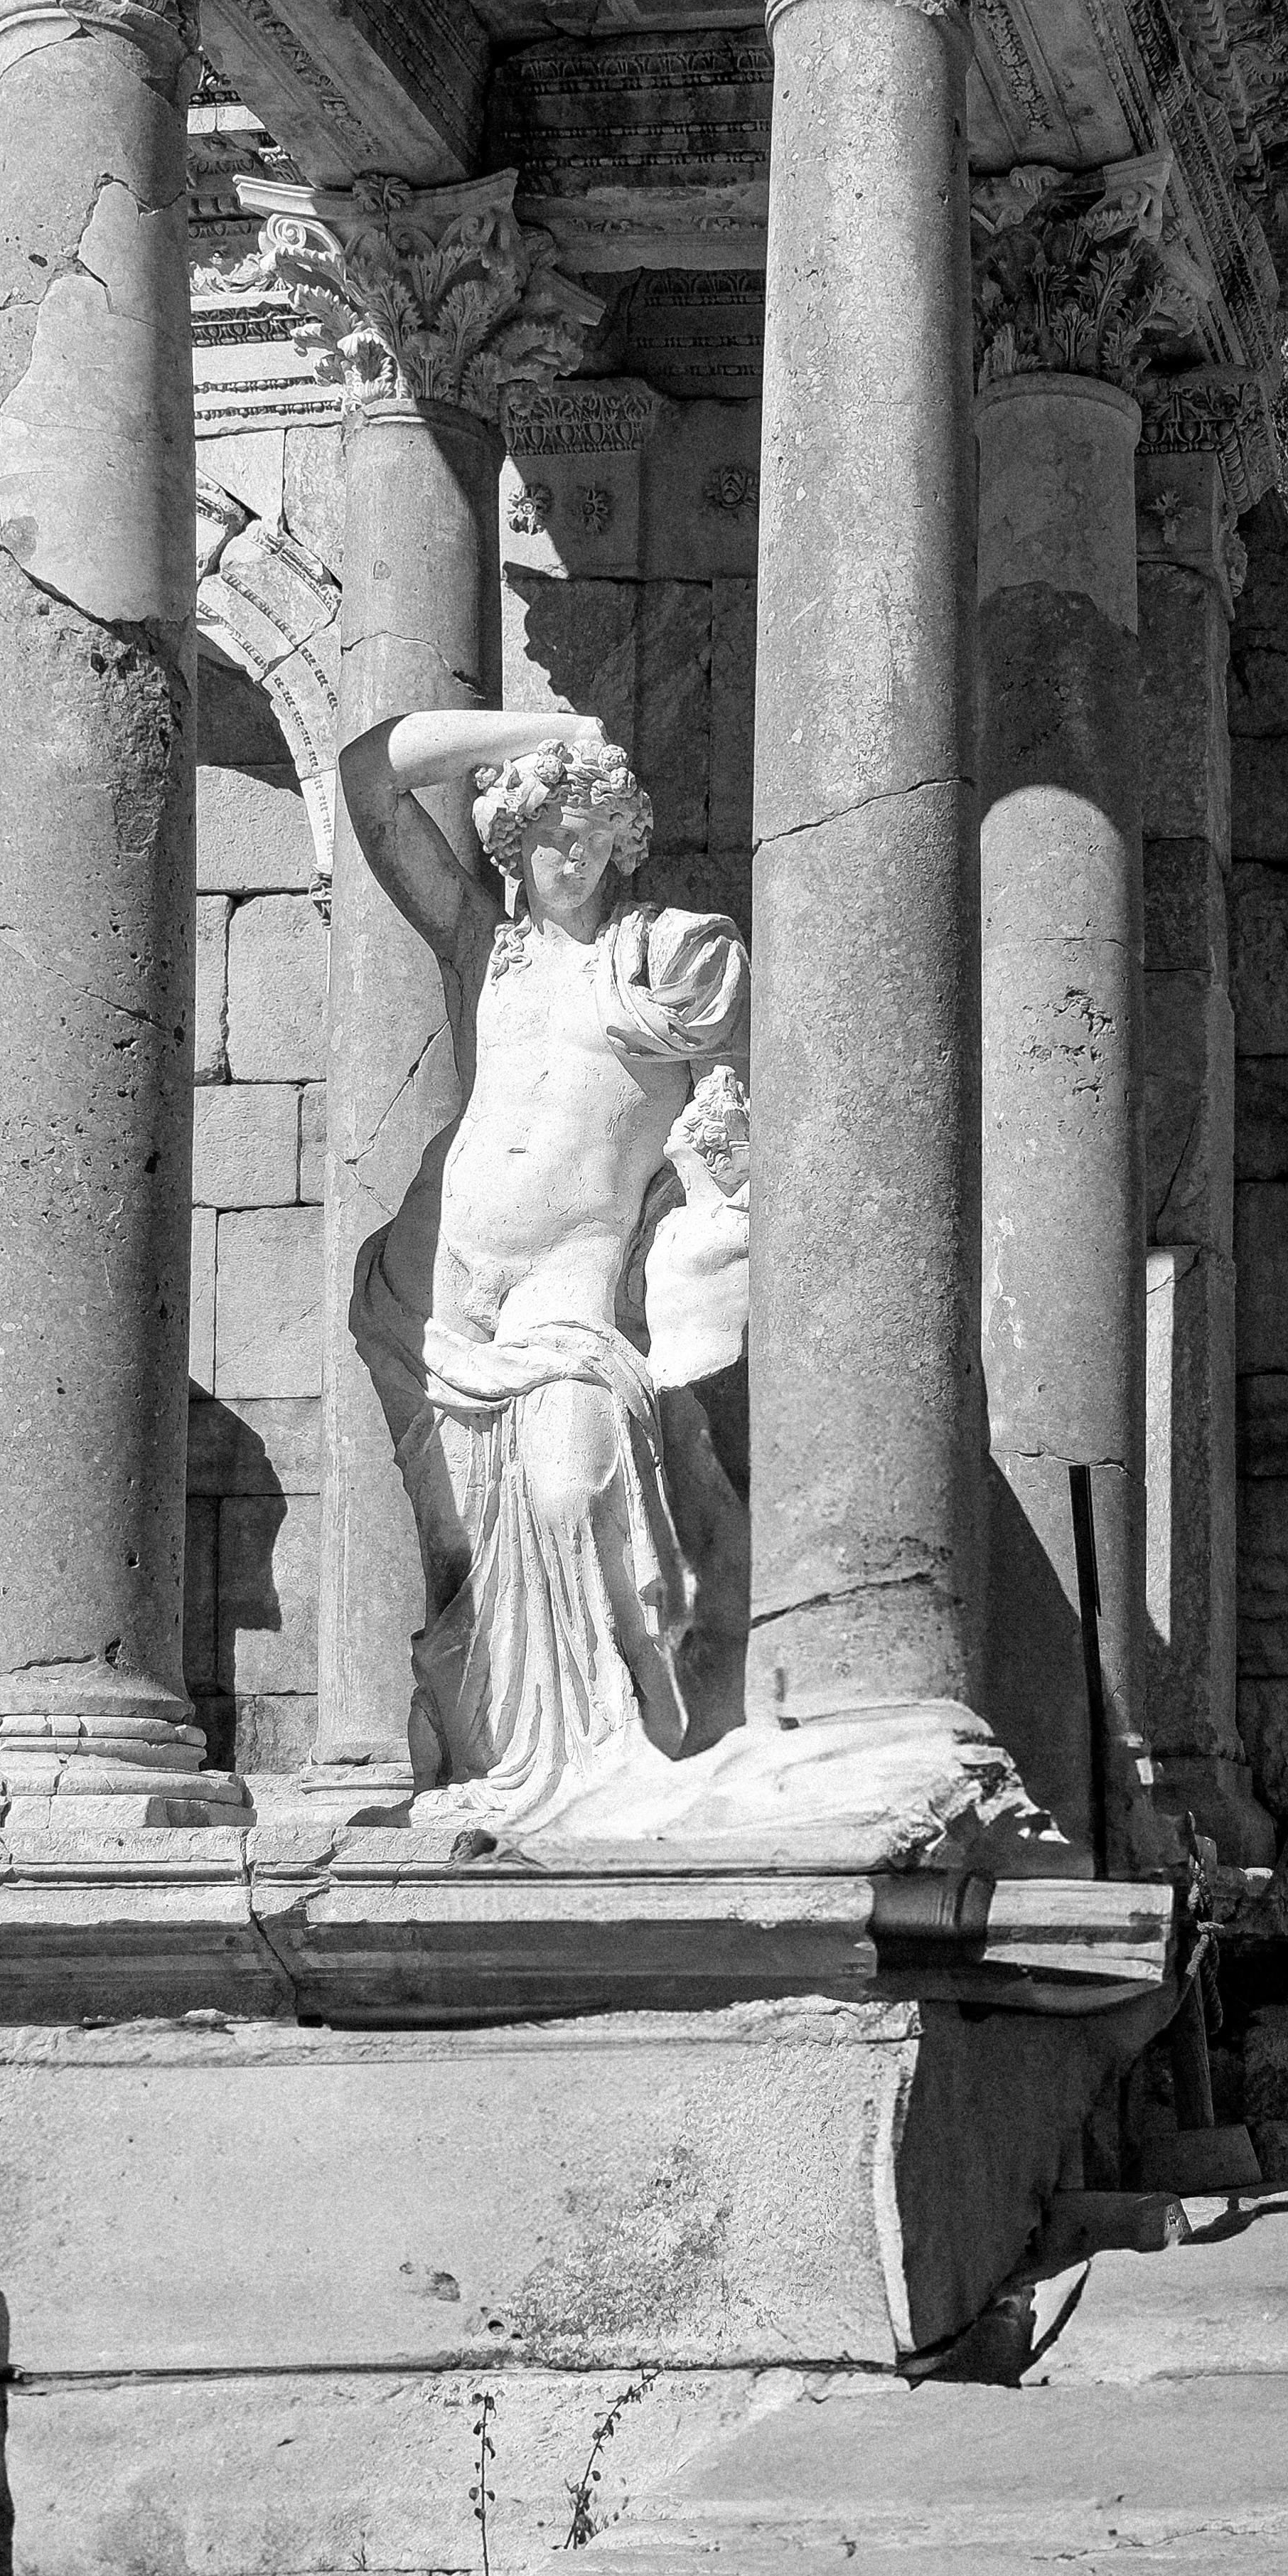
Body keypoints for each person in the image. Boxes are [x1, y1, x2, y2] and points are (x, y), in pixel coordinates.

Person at [337, 702, 749, 1829]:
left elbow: (790, 1084)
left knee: (571, 1489)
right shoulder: (488, 949)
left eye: (587, 831)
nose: (564, 858)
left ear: (622, 835)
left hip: (571, 1282)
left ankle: (608, 1756)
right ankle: (490, 1770)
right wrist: (542, 727)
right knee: (462, 1554)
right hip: (439, 1286)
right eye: (539, 838)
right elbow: (369, 781)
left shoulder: (672, 956)